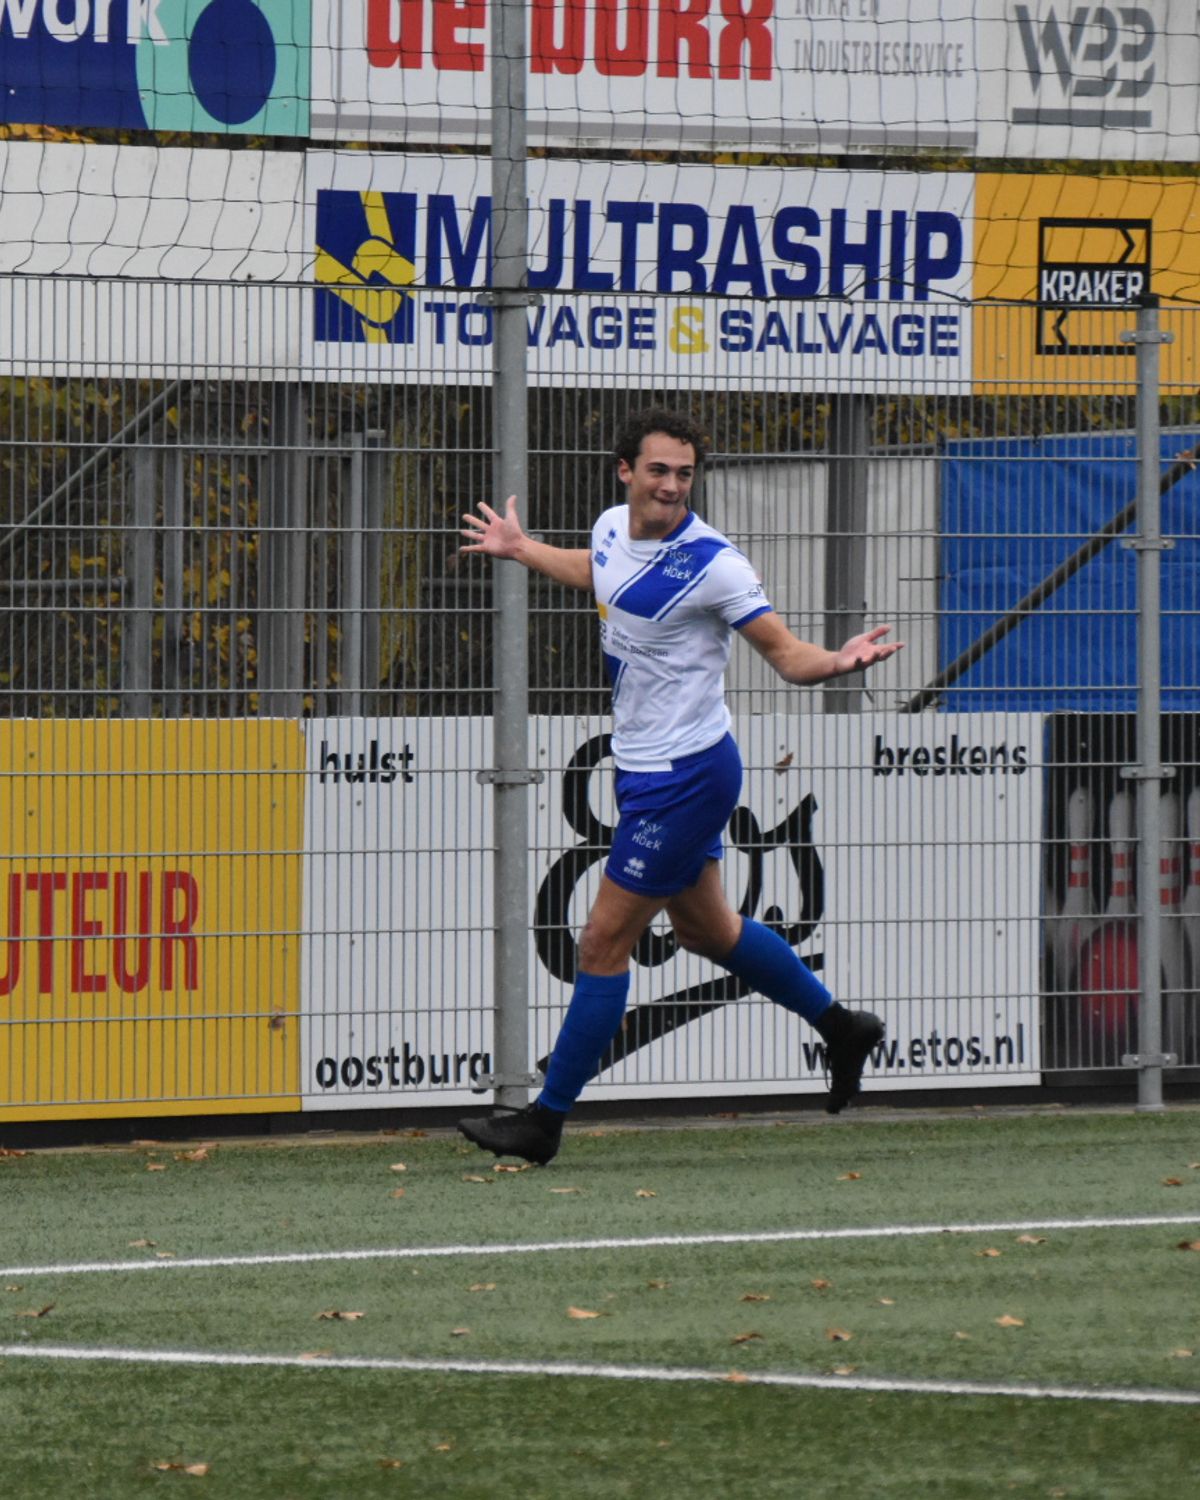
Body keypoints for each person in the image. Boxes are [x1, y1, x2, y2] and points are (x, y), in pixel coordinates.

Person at [457, 407, 903, 1165]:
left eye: (684, 474)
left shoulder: (714, 564)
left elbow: (786, 653)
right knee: (708, 931)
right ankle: (841, 1026)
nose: (671, 486)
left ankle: (545, 1121)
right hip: (645, 770)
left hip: (688, 777)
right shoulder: (608, 527)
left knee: (601, 940)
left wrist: (838, 661)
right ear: (624, 470)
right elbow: (599, 571)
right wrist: (523, 549)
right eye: (658, 470)